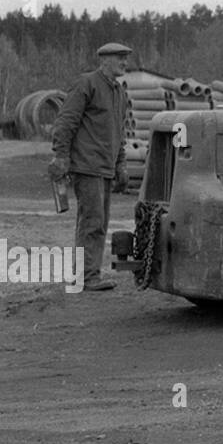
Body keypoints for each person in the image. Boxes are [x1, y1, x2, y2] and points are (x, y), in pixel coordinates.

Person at [48, 42, 131, 292]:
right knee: (92, 222)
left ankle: (87, 274)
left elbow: (119, 132)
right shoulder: (87, 84)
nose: (125, 63)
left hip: (104, 167)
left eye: (126, 58)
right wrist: (61, 156)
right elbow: (66, 121)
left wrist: (121, 165)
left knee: (100, 222)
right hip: (87, 165)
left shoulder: (119, 93)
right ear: (104, 59)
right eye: (120, 58)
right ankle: (86, 277)